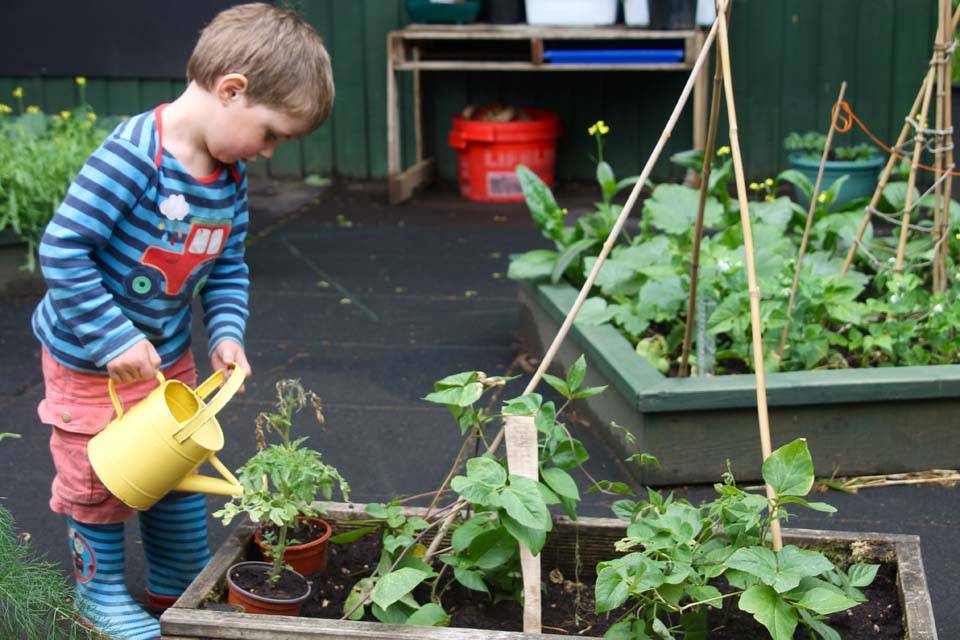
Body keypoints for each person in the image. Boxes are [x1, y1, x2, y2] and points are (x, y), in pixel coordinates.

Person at [31, 4, 334, 638]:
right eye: (272, 133)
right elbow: (62, 248)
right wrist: (112, 336)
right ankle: (100, 593)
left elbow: (227, 267)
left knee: (170, 468)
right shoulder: (133, 157)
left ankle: (178, 580)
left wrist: (226, 333)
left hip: (168, 359)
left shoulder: (228, 176)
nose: (271, 151)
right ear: (231, 91)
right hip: (90, 360)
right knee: (99, 475)